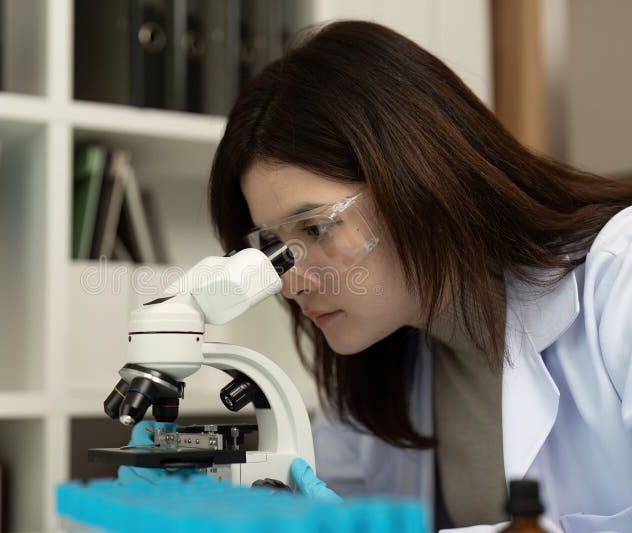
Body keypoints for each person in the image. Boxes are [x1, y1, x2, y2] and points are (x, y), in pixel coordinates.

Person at [203, 20, 632, 533]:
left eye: (317, 227)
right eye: (275, 247)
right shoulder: (375, 375)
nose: (293, 282)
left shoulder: (619, 276)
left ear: (420, 178)